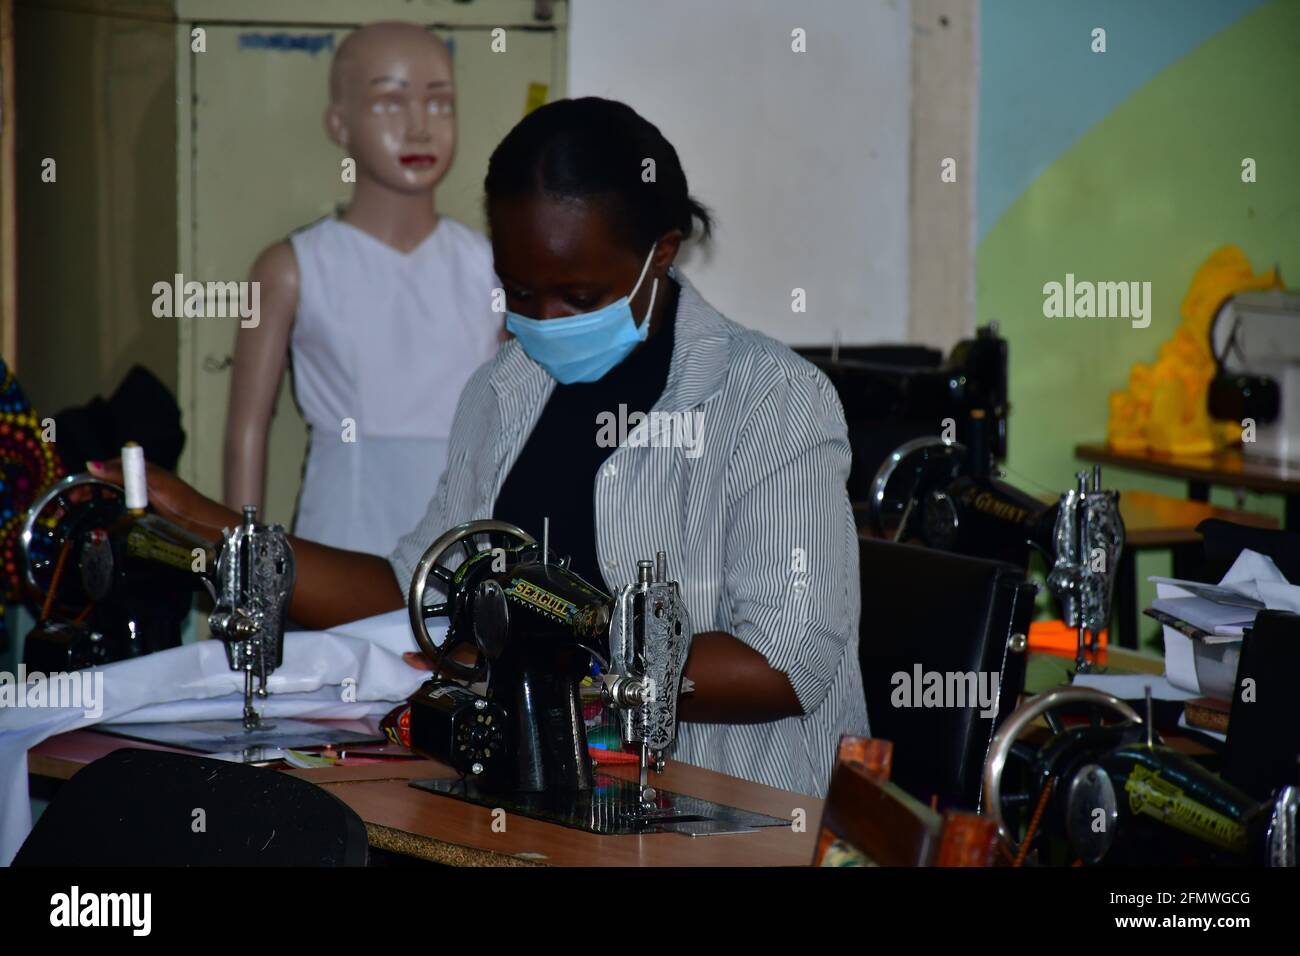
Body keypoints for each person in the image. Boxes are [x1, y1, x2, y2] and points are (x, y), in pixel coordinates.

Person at [94, 97, 866, 797]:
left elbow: (782, 666)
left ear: (660, 254)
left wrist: (539, 667)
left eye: (580, 297)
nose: (545, 319)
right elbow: (423, 589)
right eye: (520, 292)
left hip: (726, 812)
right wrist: (218, 529)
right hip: (542, 797)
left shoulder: (770, 401)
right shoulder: (507, 389)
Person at [223, 22, 500, 556]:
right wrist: (245, 582)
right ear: (338, 123)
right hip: (342, 539)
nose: (419, 128)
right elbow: (246, 434)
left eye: (440, 104)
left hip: (464, 550)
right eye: (390, 103)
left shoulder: (491, 269)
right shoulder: (291, 268)